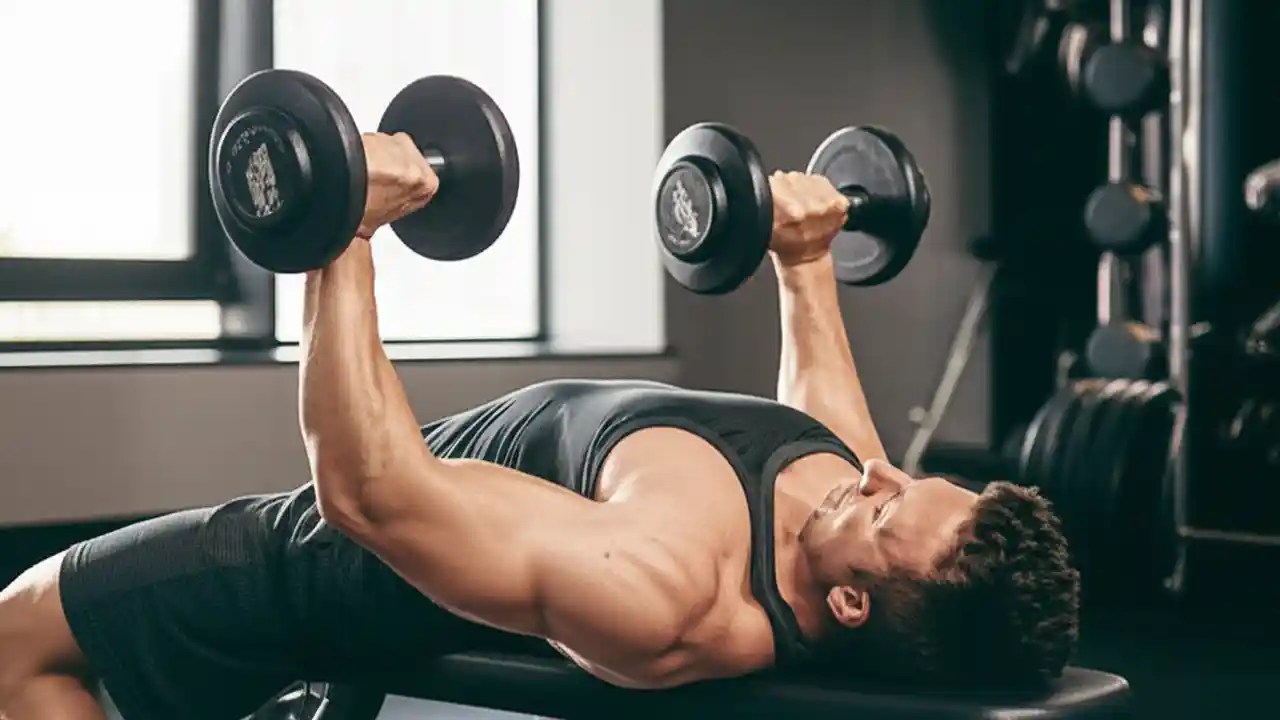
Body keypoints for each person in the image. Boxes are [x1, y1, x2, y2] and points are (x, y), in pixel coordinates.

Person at [0, 132, 1079, 720]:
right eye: (915, 477)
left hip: (318, 565)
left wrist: (343, 230)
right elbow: (828, 435)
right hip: (421, 519)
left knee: (17, 641)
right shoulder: (839, 507)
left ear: (847, 602)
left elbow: (373, 495)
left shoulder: (667, 584)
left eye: (894, 512)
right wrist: (802, 262)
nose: (885, 473)